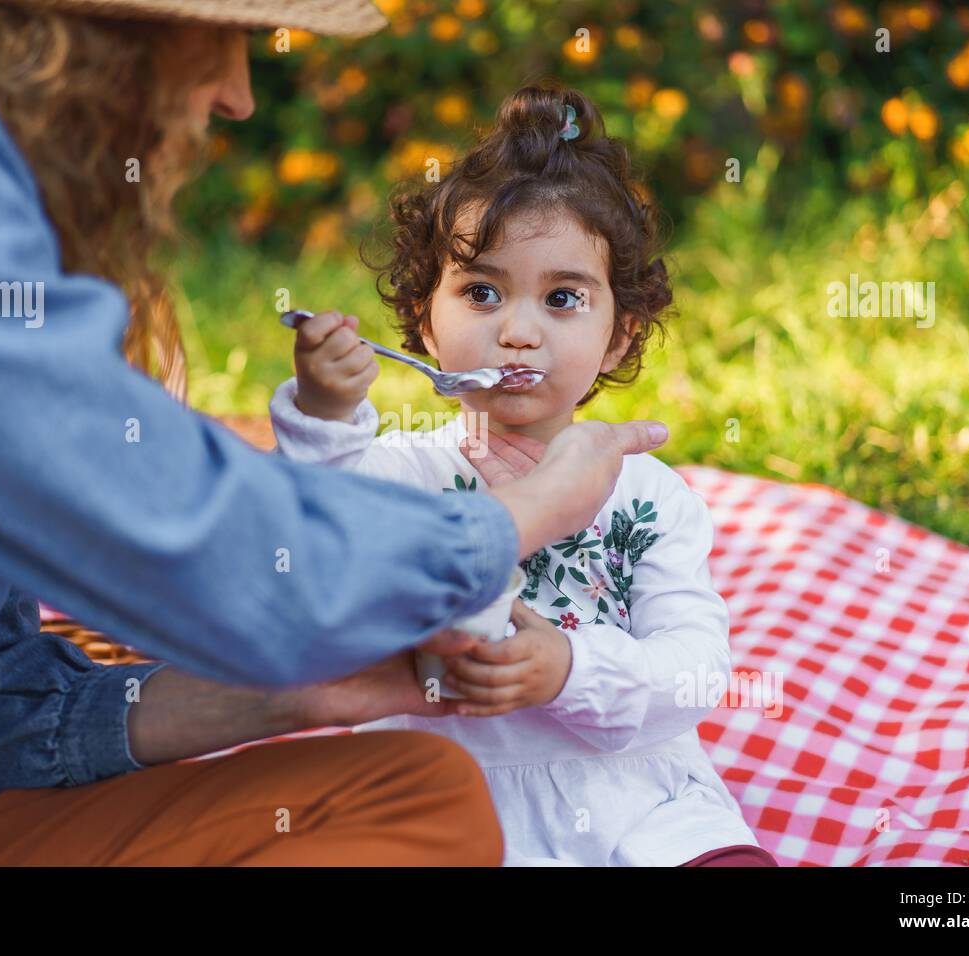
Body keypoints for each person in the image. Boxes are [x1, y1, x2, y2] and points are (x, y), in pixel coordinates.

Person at [0, 0, 669, 865]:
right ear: (85, 32)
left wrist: (295, 695)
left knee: (418, 796)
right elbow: (186, 529)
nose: (239, 94)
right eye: (224, 36)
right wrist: (524, 516)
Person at [270, 86, 777, 866]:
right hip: (442, 797)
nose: (517, 331)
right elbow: (313, 520)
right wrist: (323, 407)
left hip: (635, 802)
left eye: (564, 298)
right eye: (481, 292)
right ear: (424, 321)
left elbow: (695, 673)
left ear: (619, 337)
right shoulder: (406, 467)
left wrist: (570, 670)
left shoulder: (649, 498)